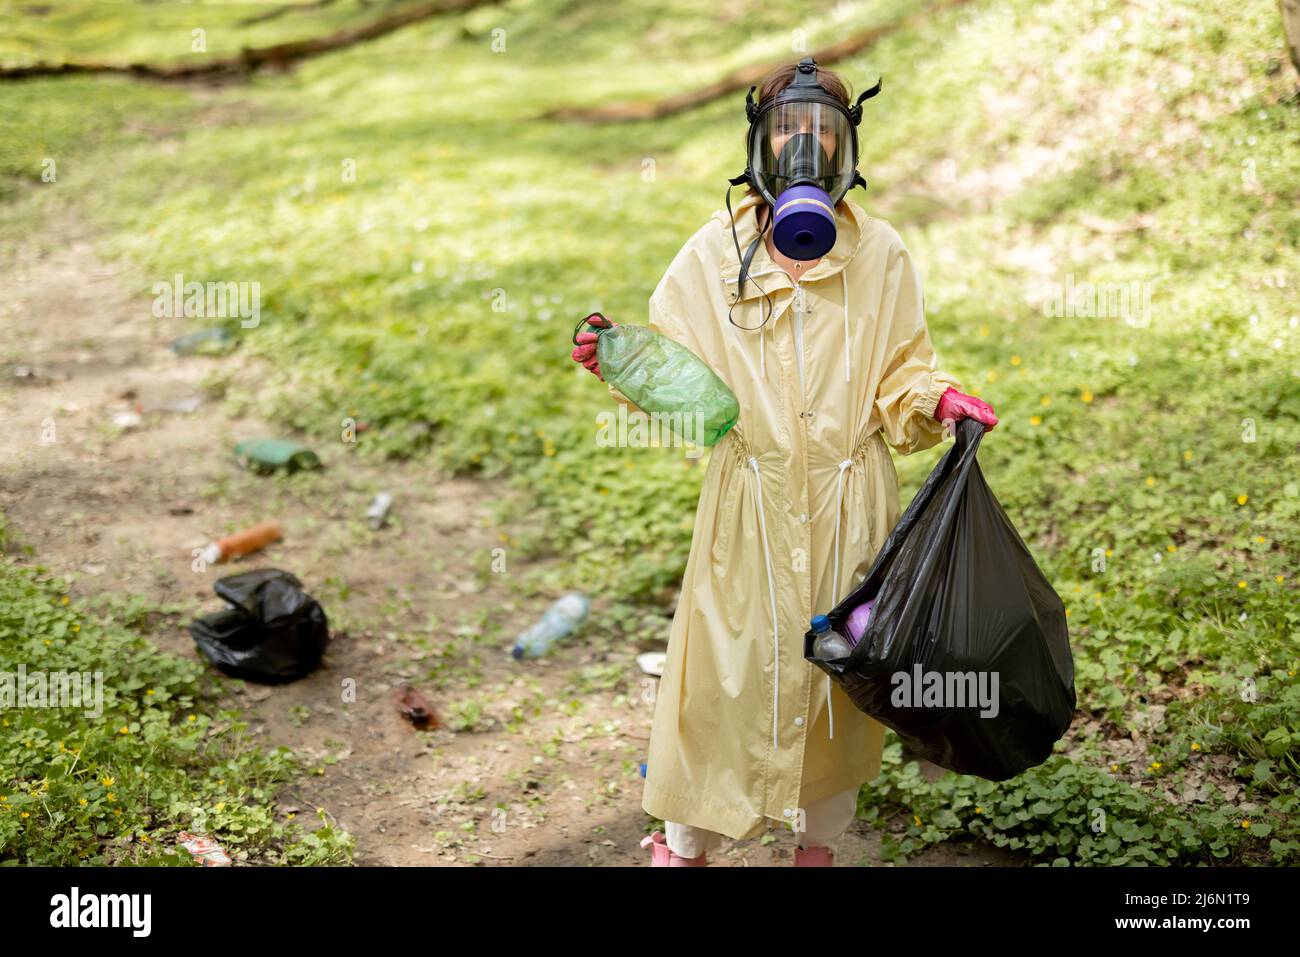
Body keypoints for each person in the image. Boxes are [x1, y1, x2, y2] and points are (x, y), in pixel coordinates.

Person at [571, 58, 997, 867]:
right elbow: (691, 395)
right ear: (759, 145)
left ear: (847, 147)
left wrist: (939, 401)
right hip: (749, 510)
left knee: (835, 691)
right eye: (787, 134)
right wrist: (624, 363)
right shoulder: (711, 255)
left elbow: (903, 371)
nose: (805, 151)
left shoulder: (882, 255)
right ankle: (684, 846)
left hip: (848, 509)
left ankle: (818, 850)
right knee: (719, 686)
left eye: (823, 134)